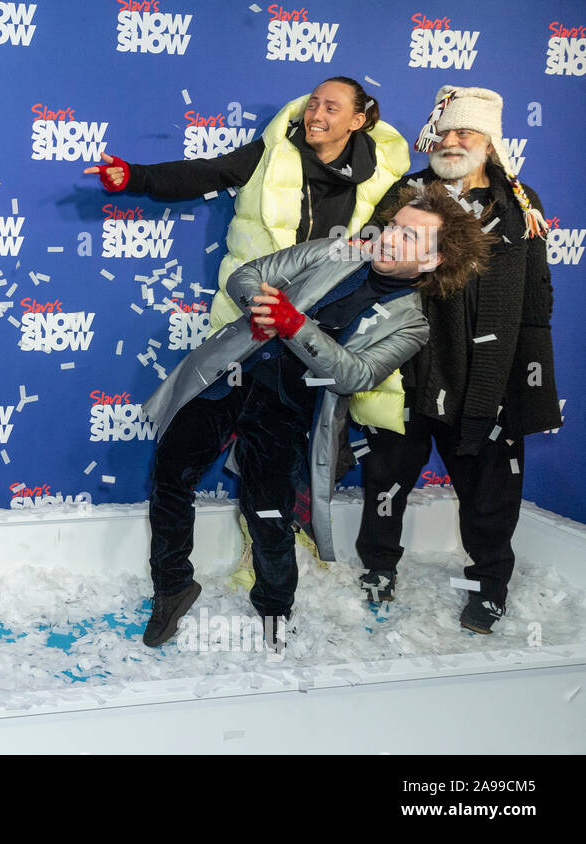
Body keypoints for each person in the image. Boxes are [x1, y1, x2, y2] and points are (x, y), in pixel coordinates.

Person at [139, 182, 495, 653]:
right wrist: (260, 306)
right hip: (226, 378)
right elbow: (248, 274)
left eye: (410, 237)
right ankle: (172, 588)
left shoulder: (412, 325)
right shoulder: (337, 250)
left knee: (267, 513)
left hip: (285, 411)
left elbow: (355, 374)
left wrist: (294, 324)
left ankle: (273, 610)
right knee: (170, 480)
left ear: (433, 261)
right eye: (393, 226)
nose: (388, 238)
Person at [85, 76, 411, 582]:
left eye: (331, 106)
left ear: (359, 119)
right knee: (235, 436)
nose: (316, 114)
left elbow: (418, 234)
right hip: (254, 314)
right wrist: (135, 177)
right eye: (312, 104)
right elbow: (207, 172)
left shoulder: (387, 176)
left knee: (307, 440)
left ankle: (282, 550)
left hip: (326, 328)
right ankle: (245, 559)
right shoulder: (273, 152)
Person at [354, 86, 560, 634]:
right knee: (387, 475)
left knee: (490, 487)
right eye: (444, 133)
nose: (451, 141)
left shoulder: (520, 202)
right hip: (411, 363)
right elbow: (367, 262)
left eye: (464, 132)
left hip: (486, 374)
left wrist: (531, 371)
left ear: (489, 143)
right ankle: (377, 567)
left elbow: (537, 293)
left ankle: (487, 586)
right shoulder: (407, 192)